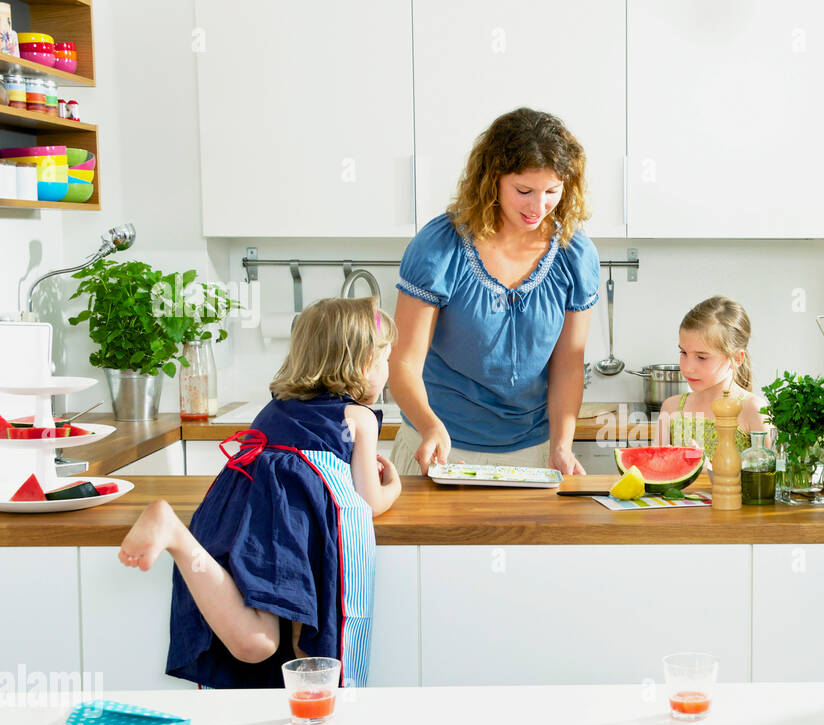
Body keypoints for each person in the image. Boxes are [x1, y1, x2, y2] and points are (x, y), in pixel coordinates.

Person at [117, 298, 402, 689]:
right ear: (365, 361)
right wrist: (394, 486)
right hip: (285, 527)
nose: (387, 369)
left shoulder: (277, 407)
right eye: (386, 358)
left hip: (238, 514)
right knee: (275, 644)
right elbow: (367, 503)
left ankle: (180, 538)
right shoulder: (358, 418)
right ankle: (174, 534)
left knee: (261, 641)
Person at [390, 107, 601, 477]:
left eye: (552, 191)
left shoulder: (575, 254)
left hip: (533, 453)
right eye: (524, 191)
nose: (539, 207)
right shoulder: (441, 247)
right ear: (492, 180)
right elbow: (403, 361)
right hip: (441, 447)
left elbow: (567, 366)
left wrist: (562, 445)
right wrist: (428, 426)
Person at [655, 295, 769, 461]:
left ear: (736, 359)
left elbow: (769, 480)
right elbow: (655, 472)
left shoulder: (753, 410)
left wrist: (709, 471)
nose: (687, 367)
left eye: (701, 357)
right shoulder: (671, 408)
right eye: (683, 353)